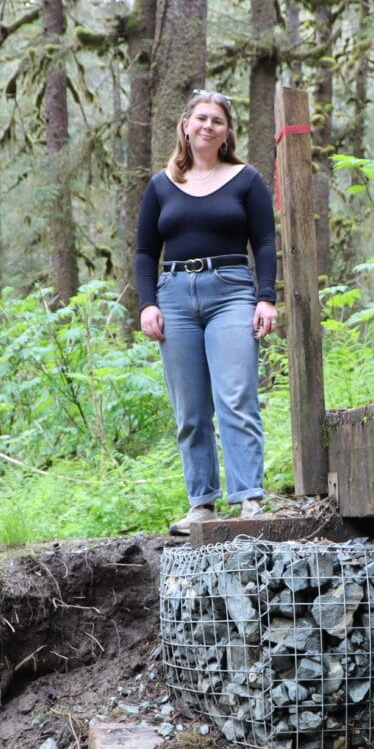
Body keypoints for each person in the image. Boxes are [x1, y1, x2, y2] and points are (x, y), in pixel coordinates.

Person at [135, 89, 281, 536]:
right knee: (191, 409)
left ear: (227, 131)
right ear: (186, 125)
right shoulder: (162, 185)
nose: (208, 126)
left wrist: (266, 297)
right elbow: (145, 252)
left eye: (217, 120)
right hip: (174, 297)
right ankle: (202, 505)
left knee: (236, 396)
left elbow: (265, 242)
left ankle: (249, 499)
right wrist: (147, 303)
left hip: (232, 292)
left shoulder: (246, 180)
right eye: (201, 118)